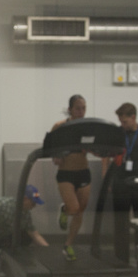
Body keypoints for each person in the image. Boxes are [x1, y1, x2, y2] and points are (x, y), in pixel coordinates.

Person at [102, 102, 138, 263]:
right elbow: (105, 156)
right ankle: (121, 259)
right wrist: (106, 178)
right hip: (120, 183)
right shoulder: (116, 134)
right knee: (120, 223)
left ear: (133, 117)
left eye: (125, 121)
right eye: (120, 121)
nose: (122, 124)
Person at [0, 184, 50, 276]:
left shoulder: (26, 214)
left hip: (1, 237)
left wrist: (48, 249)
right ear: (24, 199)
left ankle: (3, 258)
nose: (34, 206)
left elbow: (34, 234)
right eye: (33, 202)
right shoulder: (2, 203)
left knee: (26, 237)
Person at [51, 94, 90, 261]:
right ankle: (65, 210)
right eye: (78, 108)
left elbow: (92, 146)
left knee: (80, 211)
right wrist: (56, 157)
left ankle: (68, 245)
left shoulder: (88, 127)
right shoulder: (59, 127)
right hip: (66, 173)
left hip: (83, 171)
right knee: (73, 208)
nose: (81, 112)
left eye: (83, 108)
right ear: (70, 110)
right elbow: (52, 150)